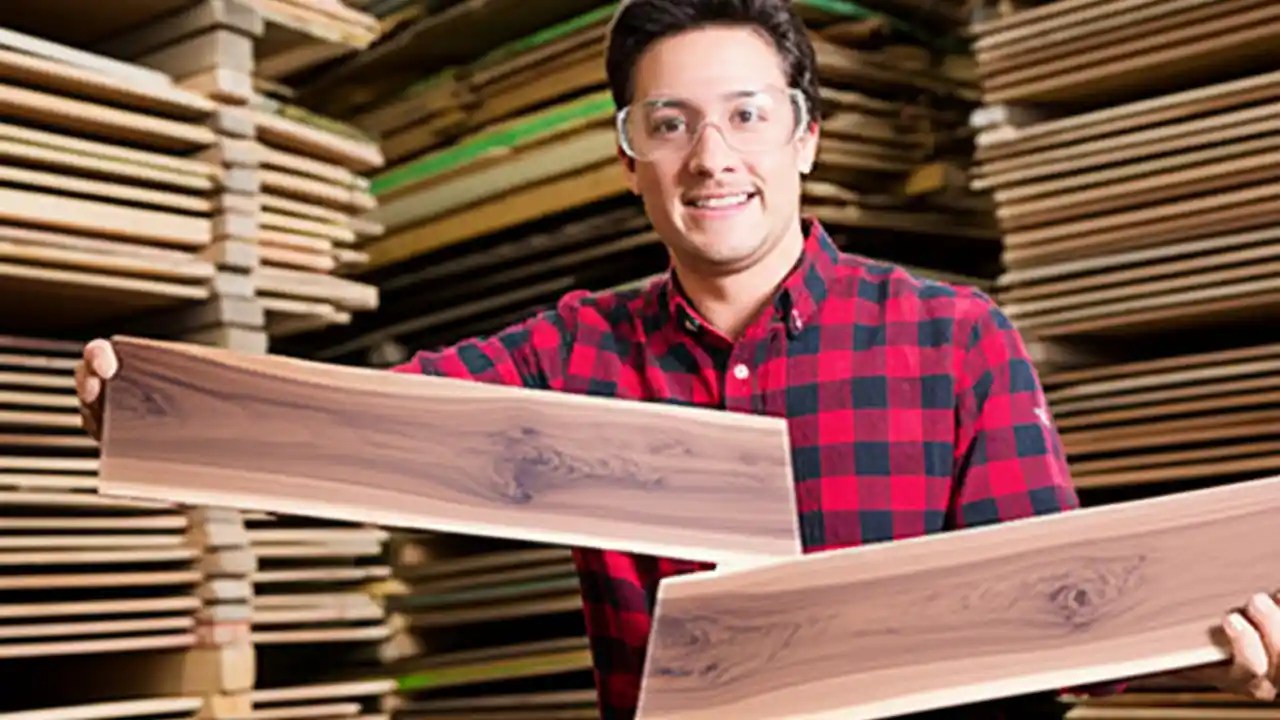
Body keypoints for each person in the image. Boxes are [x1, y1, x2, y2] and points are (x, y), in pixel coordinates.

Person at [77, 0, 1278, 717]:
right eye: (671, 123)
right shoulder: (570, 350)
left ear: (803, 133)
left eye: (748, 114)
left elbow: (1058, 631)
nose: (713, 157)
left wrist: (1219, 642)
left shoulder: (954, 338)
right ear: (627, 155)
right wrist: (155, 403)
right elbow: (351, 430)